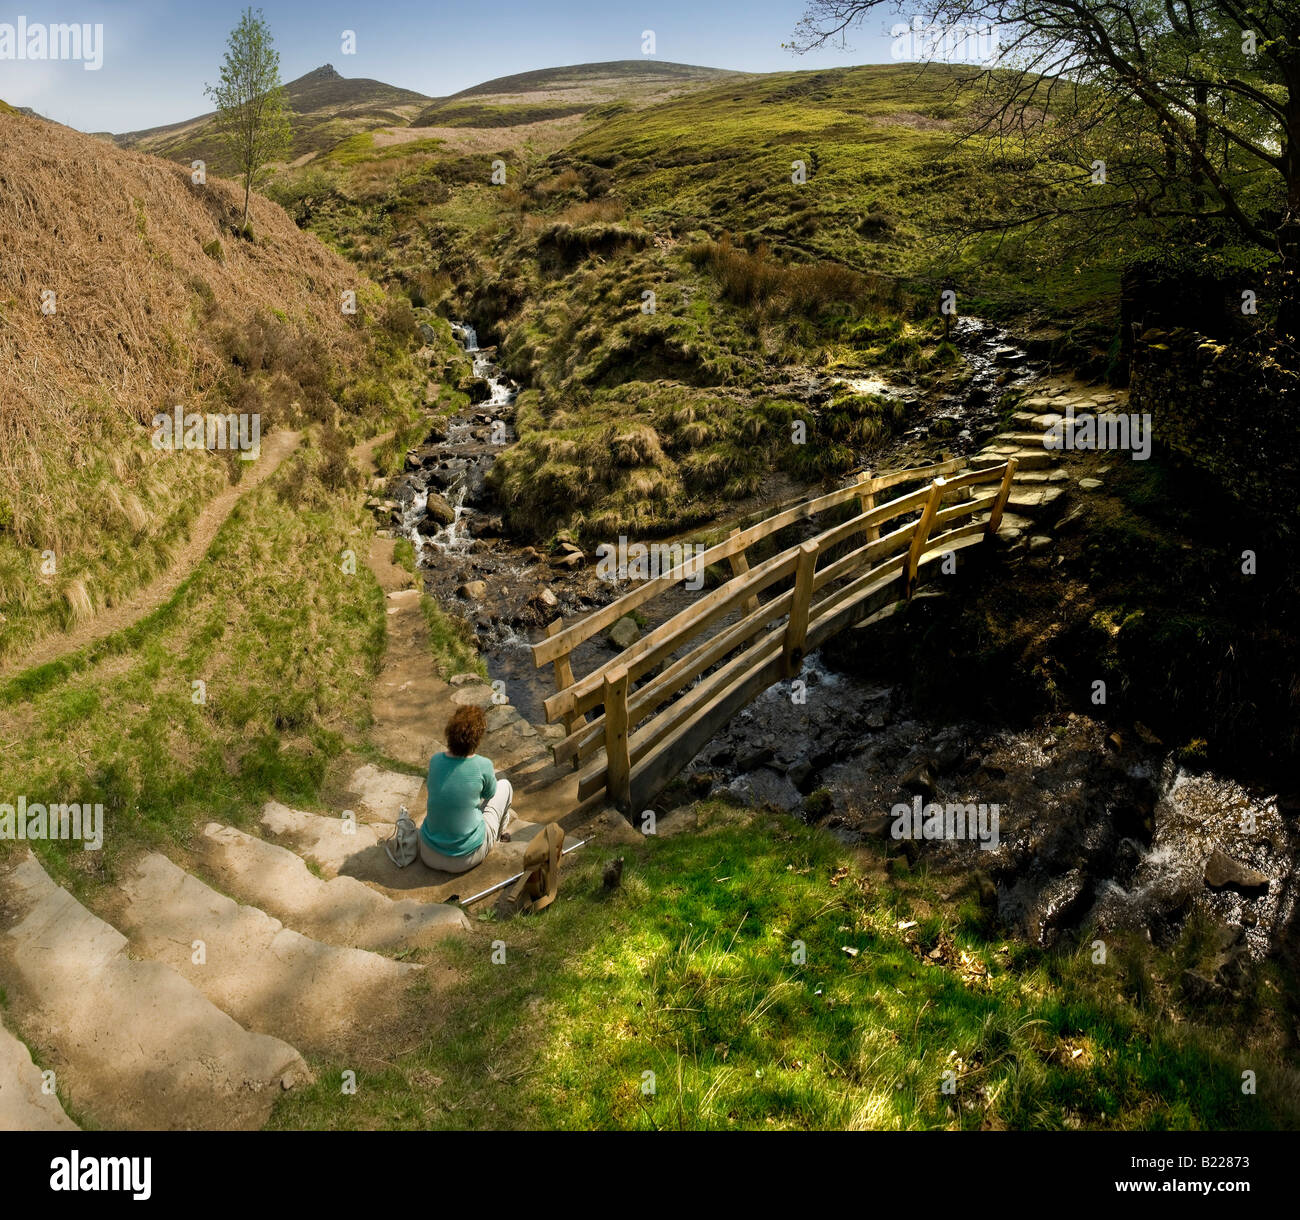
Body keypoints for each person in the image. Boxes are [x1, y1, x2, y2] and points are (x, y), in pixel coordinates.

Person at [418, 704, 514, 874]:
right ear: (477, 738)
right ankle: (499, 836)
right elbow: (490, 794)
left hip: (428, 853)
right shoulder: (483, 765)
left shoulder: (435, 761)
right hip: (467, 858)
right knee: (504, 786)